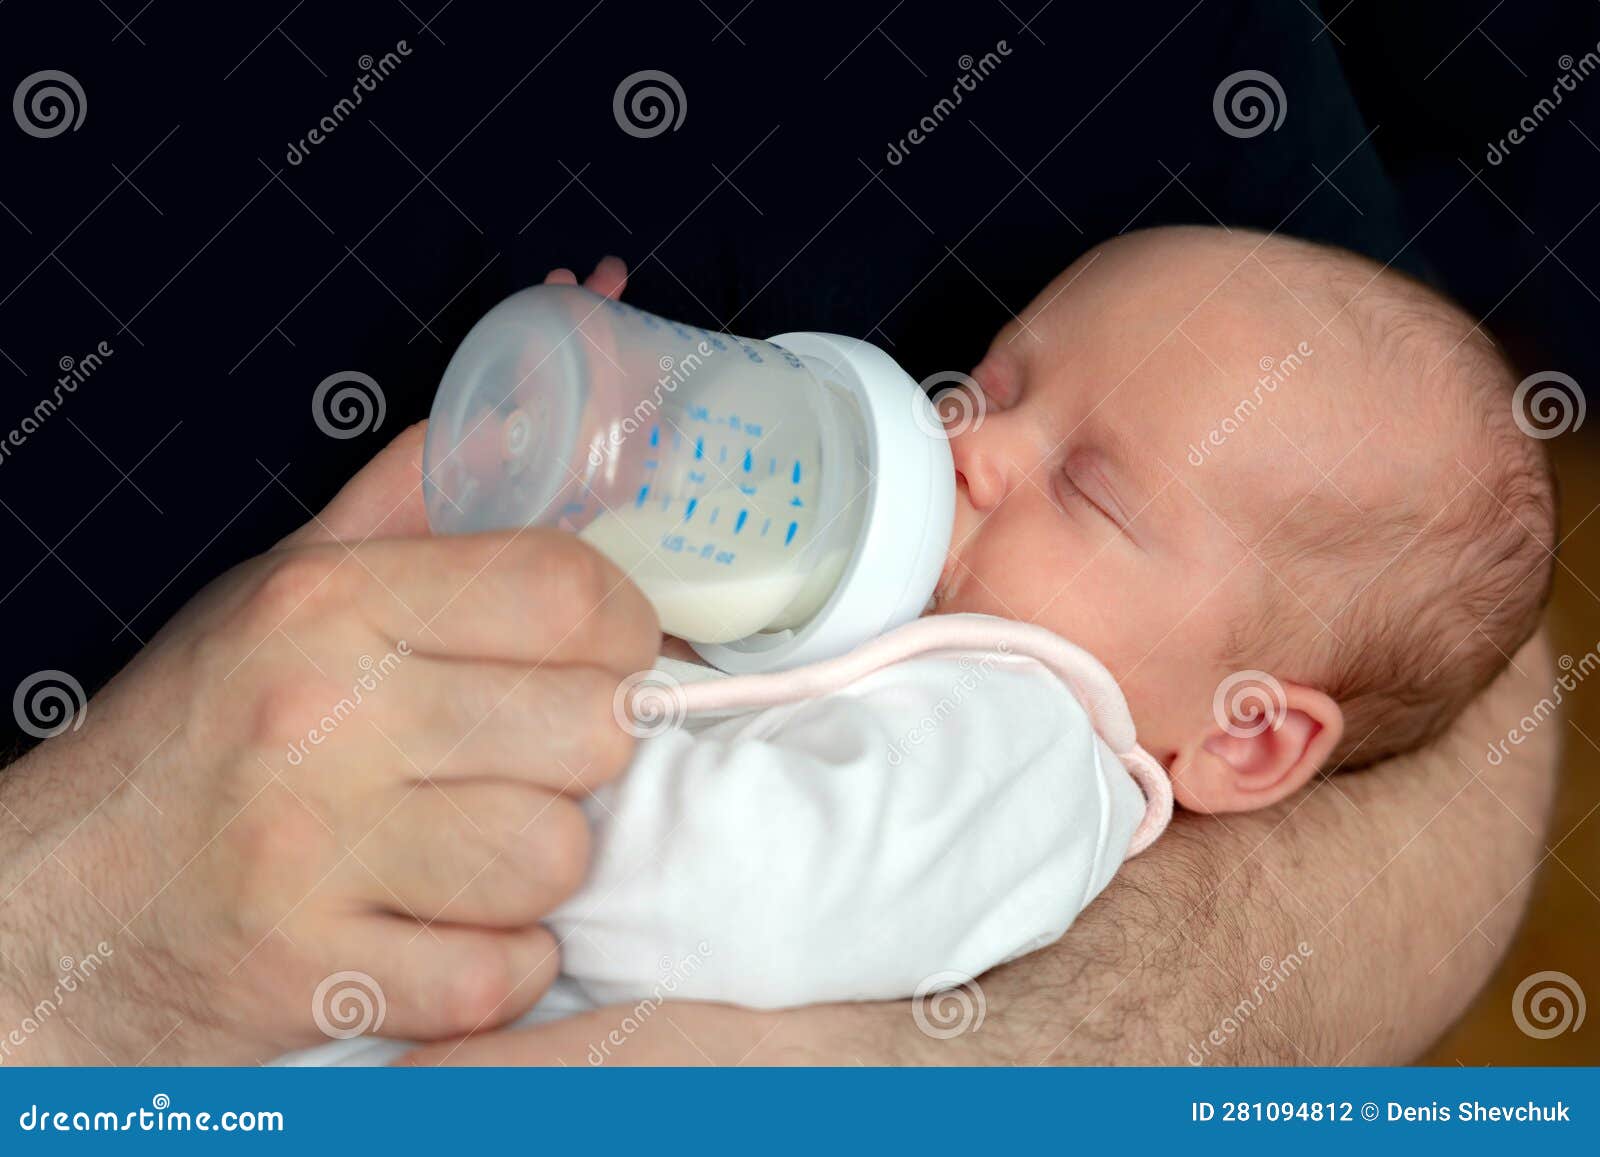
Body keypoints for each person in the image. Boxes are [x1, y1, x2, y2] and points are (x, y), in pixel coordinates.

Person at [0, 251, 1559, 1066]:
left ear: (1250, 736)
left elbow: (767, 894)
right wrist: (619, 460)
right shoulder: (893, 615)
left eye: (1087, 482)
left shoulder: (1030, 752)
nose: (972, 446)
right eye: (994, 380)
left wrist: (466, 804)